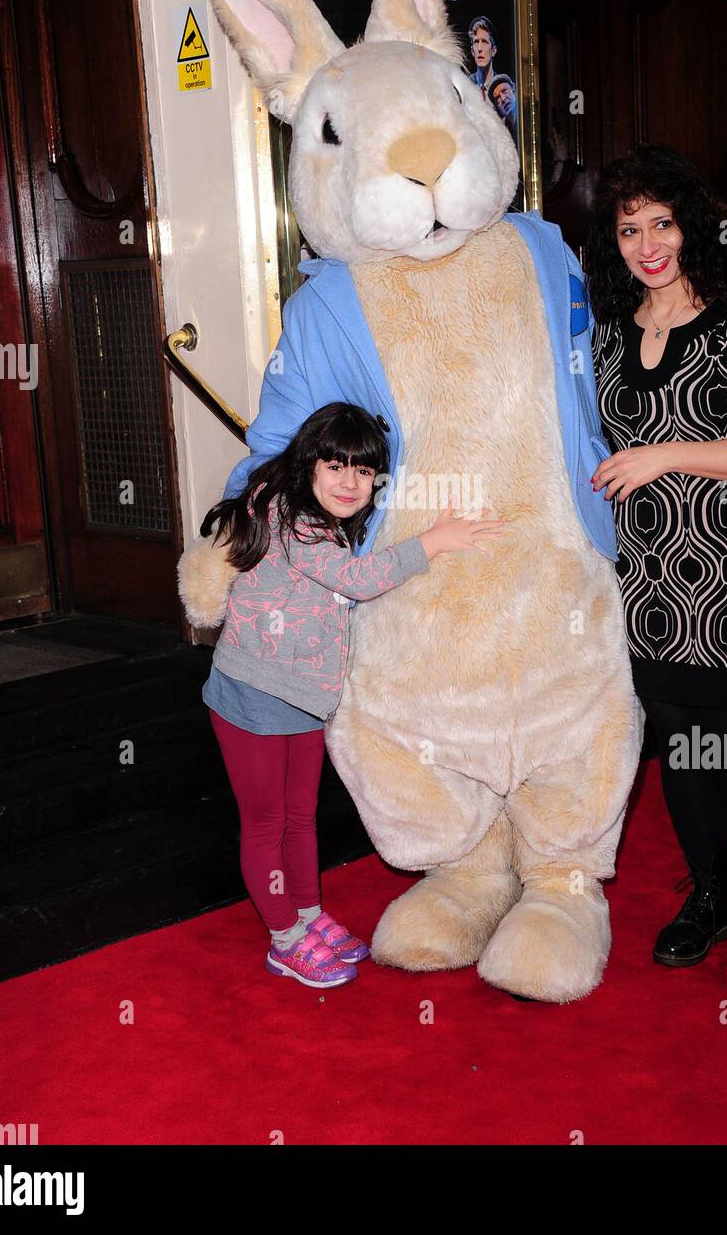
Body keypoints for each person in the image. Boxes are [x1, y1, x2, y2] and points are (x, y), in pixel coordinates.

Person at [587, 144, 727, 995]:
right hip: (646, 588)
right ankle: (711, 899)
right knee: (680, 755)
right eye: (628, 229)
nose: (647, 243)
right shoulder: (610, 337)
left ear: (692, 226)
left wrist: (660, 455)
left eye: (662, 223)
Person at [186, 402, 504, 990]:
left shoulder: (319, 520)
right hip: (251, 695)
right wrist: (433, 542)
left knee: (300, 818)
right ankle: (284, 940)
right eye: (336, 467)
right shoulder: (293, 521)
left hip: (304, 697)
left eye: (362, 472)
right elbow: (356, 581)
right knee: (266, 825)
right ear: (309, 466)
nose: (350, 483)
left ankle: (306, 916)